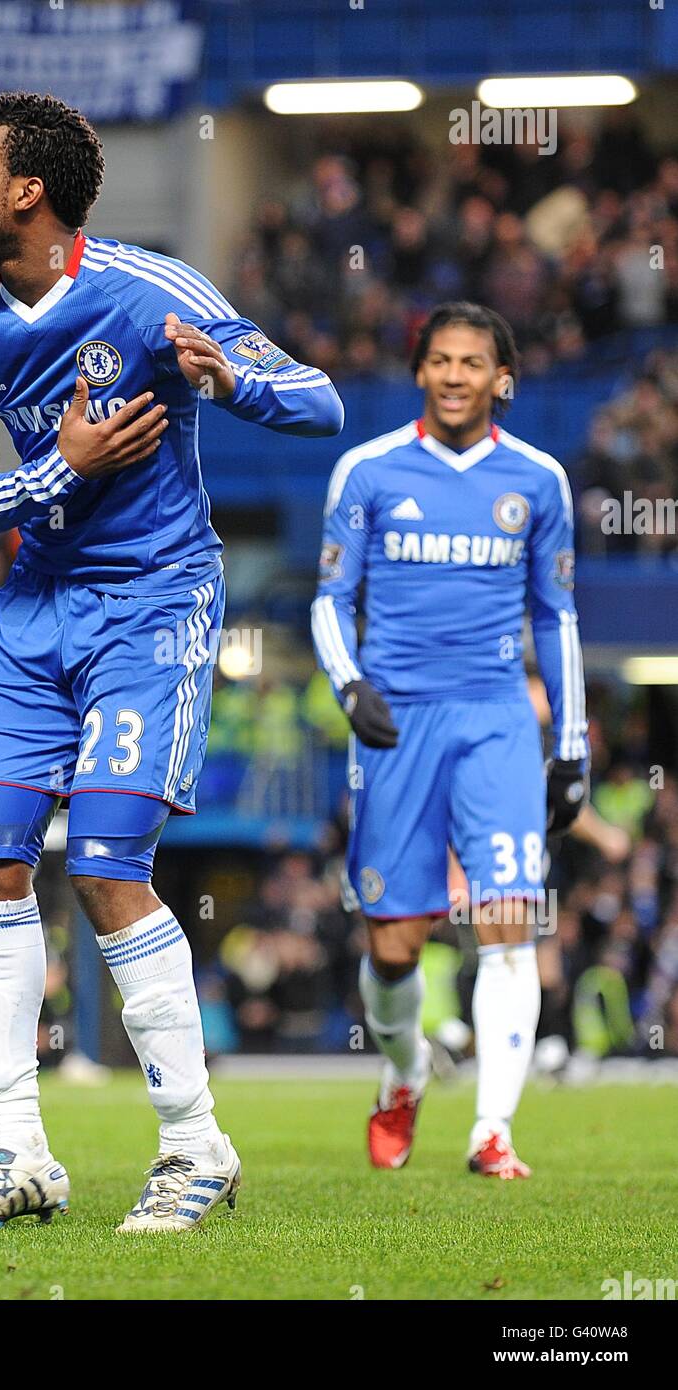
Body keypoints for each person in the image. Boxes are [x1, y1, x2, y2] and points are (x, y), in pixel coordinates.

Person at [0, 90, 344, 1231]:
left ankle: (196, 1149)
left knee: (108, 863)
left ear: (28, 192)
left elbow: (319, 398)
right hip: (29, 612)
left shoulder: (150, 290)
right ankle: (17, 1154)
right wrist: (58, 470)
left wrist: (229, 379)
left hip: (153, 602)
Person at [312, 301, 588, 1178]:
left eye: (473, 362)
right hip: (397, 725)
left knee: (508, 922)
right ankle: (402, 1075)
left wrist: (569, 743)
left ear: (501, 378)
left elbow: (556, 613)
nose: (456, 375)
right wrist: (349, 684)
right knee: (393, 947)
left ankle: (492, 1131)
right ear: (420, 371)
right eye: (440, 360)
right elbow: (326, 600)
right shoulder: (366, 471)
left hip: (498, 720)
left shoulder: (539, 480)